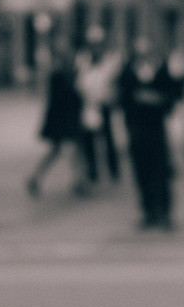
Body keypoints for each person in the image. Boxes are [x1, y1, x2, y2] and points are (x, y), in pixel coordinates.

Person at [118, 37, 184, 229]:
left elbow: (172, 95)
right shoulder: (128, 72)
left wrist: (154, 100)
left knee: (161, 169)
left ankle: (164, 211)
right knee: (142, 171)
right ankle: (148, 211)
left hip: (156, 128)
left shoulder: (161, 70)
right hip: (136, 128)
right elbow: (124, 98)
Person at [26, 47, 86, 197]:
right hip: (63, 120)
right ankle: (79, 181)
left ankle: (36, 177)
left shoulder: (64, 75)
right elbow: (66, 98)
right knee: (71, 150)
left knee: (59, 151)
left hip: (62, 119)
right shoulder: (59, 76)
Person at [76, 28, 123, 187]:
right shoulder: (83, 60)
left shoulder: (111, 60)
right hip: (88, 104)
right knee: (88, 140)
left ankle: (113, 169)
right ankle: (93, 171)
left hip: (105, 104)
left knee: (108, 138)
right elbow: (80, 81)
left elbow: (114, 81)